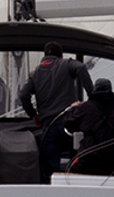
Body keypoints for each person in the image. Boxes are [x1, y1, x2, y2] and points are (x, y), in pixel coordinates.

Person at [18, 41, 94, 182]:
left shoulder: (35, 73)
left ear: (45, 55)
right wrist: (91, 95)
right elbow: (82, 68)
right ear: (61, 55)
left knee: (51, 170)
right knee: (75, 164)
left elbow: (23, 95)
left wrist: (33, 115)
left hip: (48, 125)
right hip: (70, 123)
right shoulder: (66, 64)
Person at [62, 78, 114, 176]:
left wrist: (72, 109)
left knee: (71, 171)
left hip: (87, 165)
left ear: (94, 91)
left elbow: (67, 123)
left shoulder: (84, 108)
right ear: (111, 91)